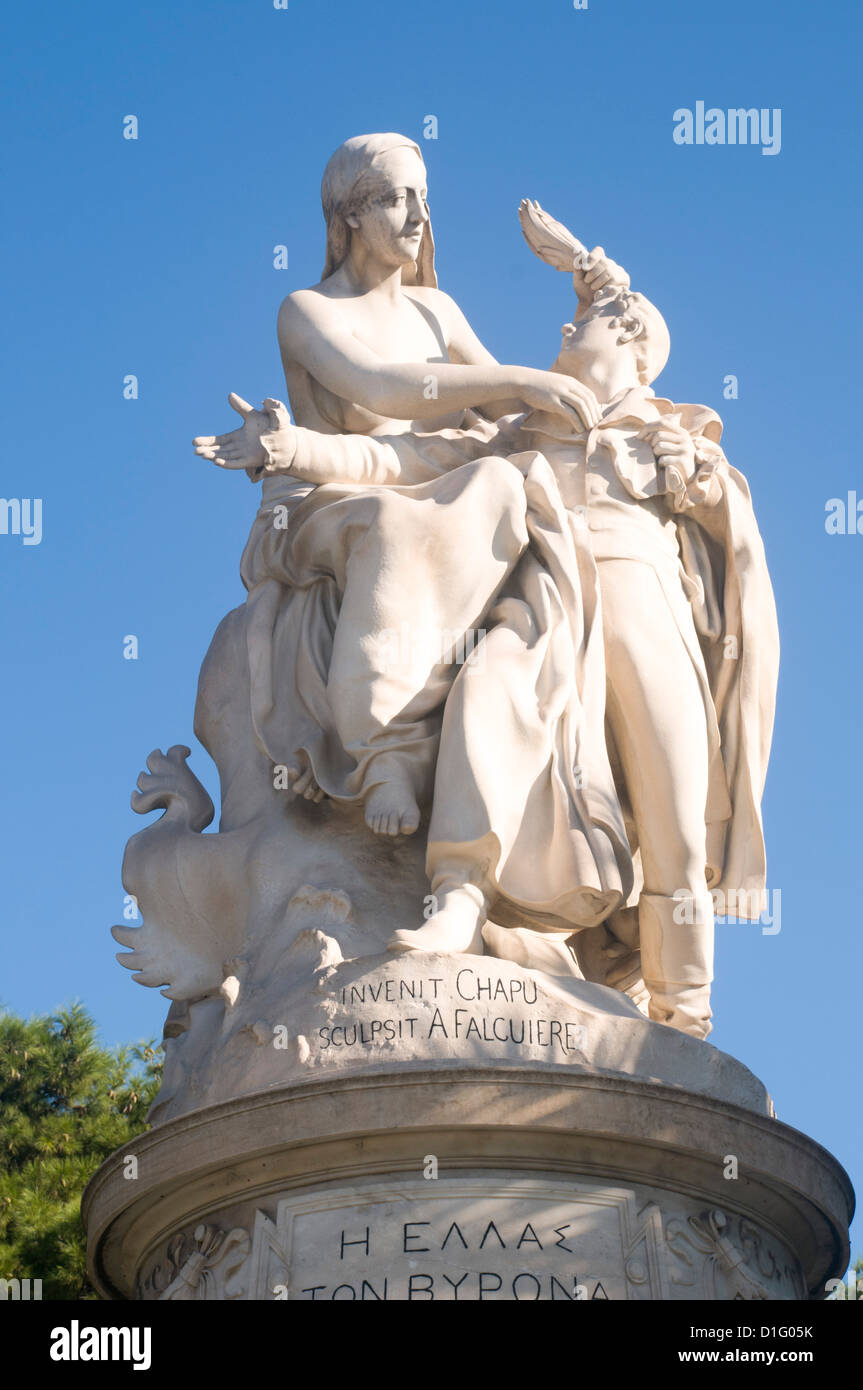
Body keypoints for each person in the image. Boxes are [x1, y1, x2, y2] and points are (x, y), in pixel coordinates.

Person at [198, 245, 778, 1041]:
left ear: (633, 338)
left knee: (671, 802)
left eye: (587, 322)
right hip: (552, 598)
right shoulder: (516, 430)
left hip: (644, 603)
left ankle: (681, 1008)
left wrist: (700, 485)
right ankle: (456, 899)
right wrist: (291, 449)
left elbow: (729, 532)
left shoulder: (672, 432)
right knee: (485, 687)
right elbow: (396, 457)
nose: (564, 327)